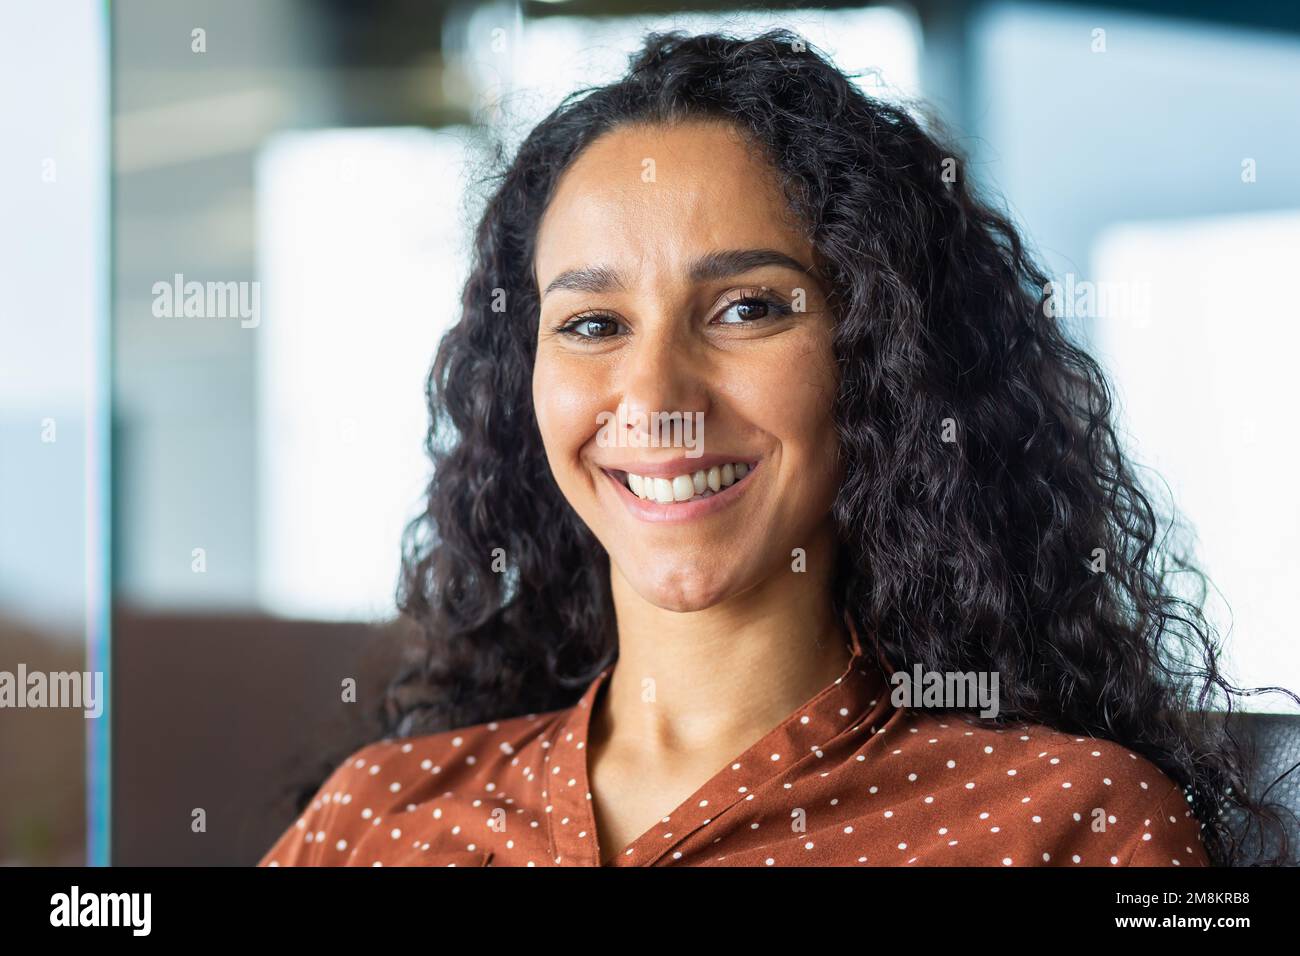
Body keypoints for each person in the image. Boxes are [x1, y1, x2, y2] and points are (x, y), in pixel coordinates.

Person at [260, 29, 1295, 867]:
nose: (657, 395)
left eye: (749, 307)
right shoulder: (378, 819)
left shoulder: (1065, 824)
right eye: (591, 323)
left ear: (879, 356)